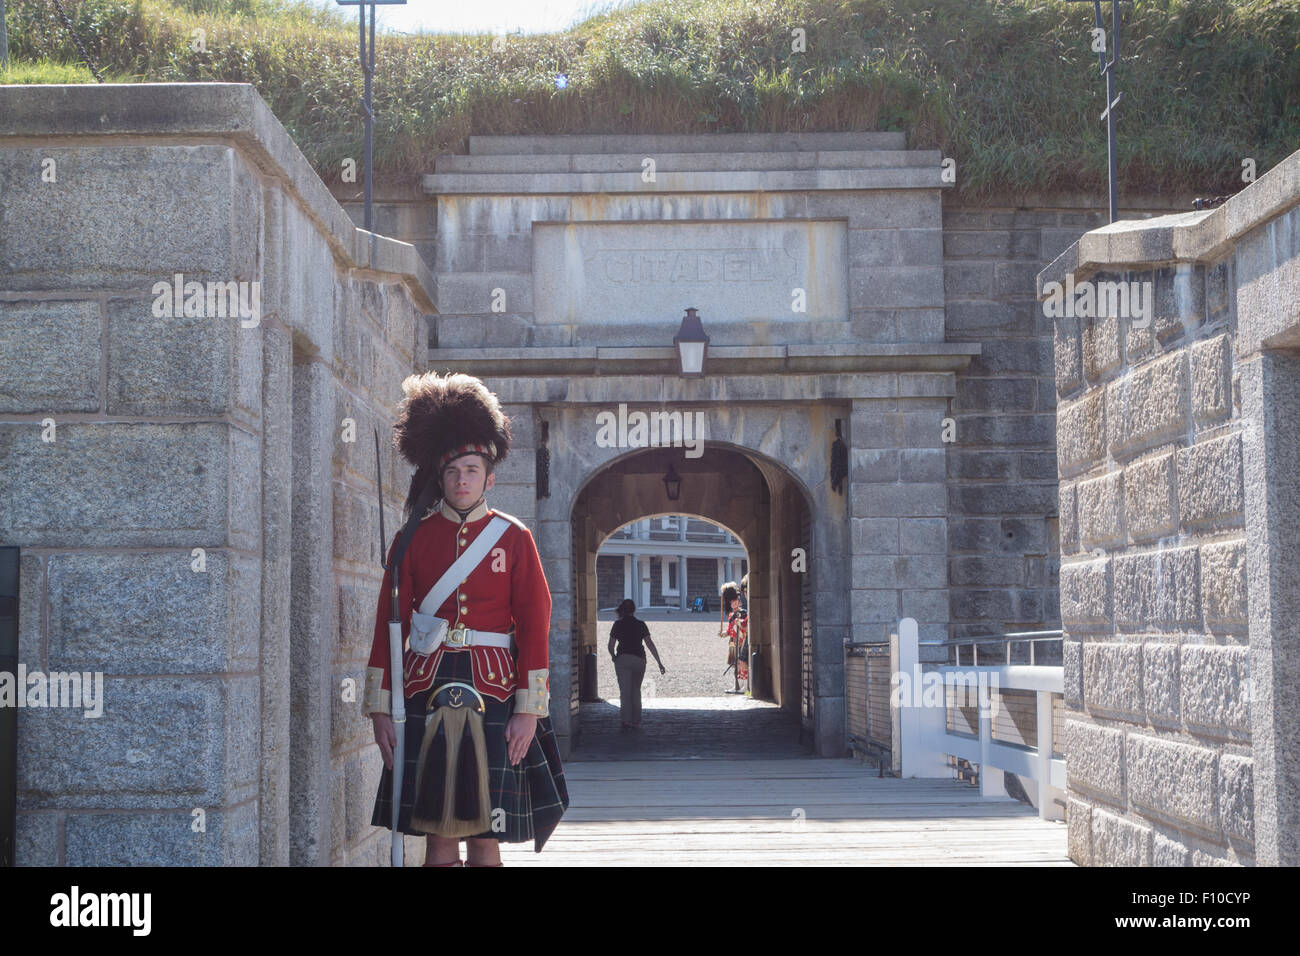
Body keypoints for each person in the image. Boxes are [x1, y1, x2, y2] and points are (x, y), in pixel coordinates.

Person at [363, 371, 568, 866]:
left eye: (472, 471)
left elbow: (535, 623)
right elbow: (388, 626)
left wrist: (528, 709)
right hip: (424, 687)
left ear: (488, 478)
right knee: (436, 835)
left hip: (494, 690)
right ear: (441, 474)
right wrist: (379, 708)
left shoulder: (514, 538)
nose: (462, 480)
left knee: (484, 835)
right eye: (454, 471)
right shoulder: (411, 538)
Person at [607, 598, 665, 730]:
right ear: (634, 610)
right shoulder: (641, 624)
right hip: (639, 660)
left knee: (625, 692)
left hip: (623, 659)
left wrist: (613, 656)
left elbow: (610, 645)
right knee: (636, 690)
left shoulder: (617, 624)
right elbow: (649, 644)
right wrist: (659, 662)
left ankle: (626, 720)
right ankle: (636, 720)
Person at [721, 582, 749, 685]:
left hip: (741, 642)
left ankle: (744, 685)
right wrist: (724, 633)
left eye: (736, 601)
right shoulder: (731, 615)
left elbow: (745, 627)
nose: (734, 603)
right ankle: (737, 685)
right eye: (732, 602)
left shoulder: (743, 613)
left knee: (741, 664)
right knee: (735, 665)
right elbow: (730, 630)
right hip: (733, 643)